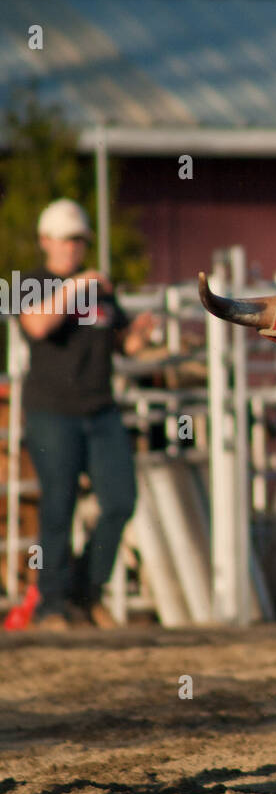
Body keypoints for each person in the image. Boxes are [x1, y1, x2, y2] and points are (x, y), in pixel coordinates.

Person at [18, 198, 156, 630]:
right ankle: (52, 605)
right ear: (45, 241)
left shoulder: (100, 290)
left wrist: (139, 334)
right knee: (57, 505)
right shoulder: (35, 281)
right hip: (51, 412)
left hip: (101, 410)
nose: (72, 247)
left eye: (78, 240)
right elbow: (36, 326)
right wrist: (78, 285)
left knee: (120, 500)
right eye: (64, 239)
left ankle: (86, 591)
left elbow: (123, 344)